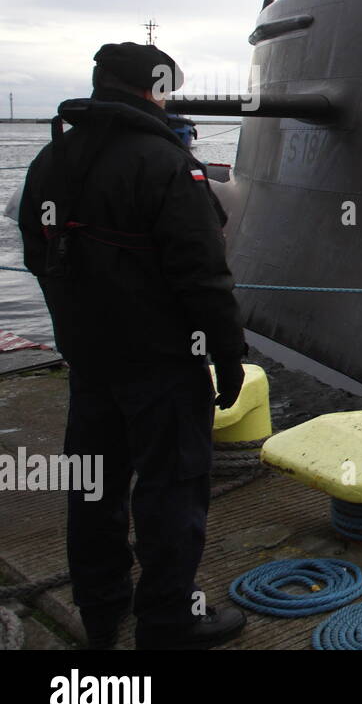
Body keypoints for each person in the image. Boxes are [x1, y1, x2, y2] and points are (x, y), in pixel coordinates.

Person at [18, 42, 248, 650]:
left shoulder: (52, 159)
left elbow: (38, 256)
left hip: (91, 361)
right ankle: (168, 621)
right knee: (170, 487)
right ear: (154, 88)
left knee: (94, 484)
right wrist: (227, 355)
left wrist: (79, 329)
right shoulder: (166, 163)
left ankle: (101, 611)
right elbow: (202, 275)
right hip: (163, 363)